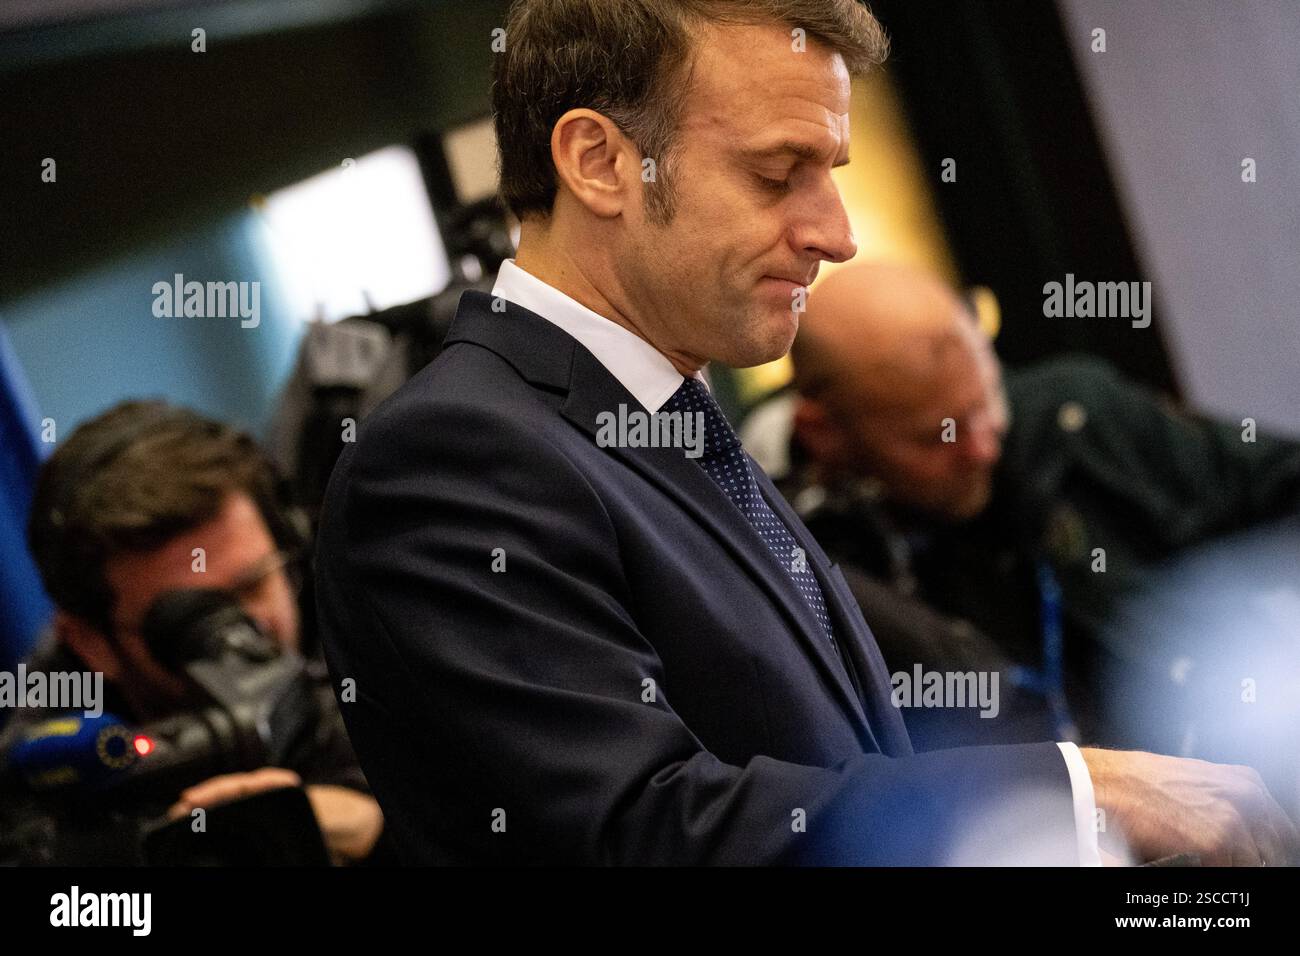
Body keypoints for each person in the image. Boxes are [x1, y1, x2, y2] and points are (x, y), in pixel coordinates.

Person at [313, 0, 1298, 865]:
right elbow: (636, 827)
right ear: (599, 161)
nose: (836, 232)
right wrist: (1075, 792)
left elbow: (837, 762)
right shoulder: (448, 459)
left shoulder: (668, 409)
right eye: (778, 173)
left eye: (828, 171)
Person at [785, 261, 1300, 767]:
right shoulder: (808, 569)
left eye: (983, 404)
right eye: (936, 435)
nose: (983, 448)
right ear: (825, 435)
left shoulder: (1076, 420)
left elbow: (1279, 485)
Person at [1, 400, 386, 865]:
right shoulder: (44, 767)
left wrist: (374, 828)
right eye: (185, 618)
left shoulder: (368, 627)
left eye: (253, 583)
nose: (244, 631)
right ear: (90, 642)